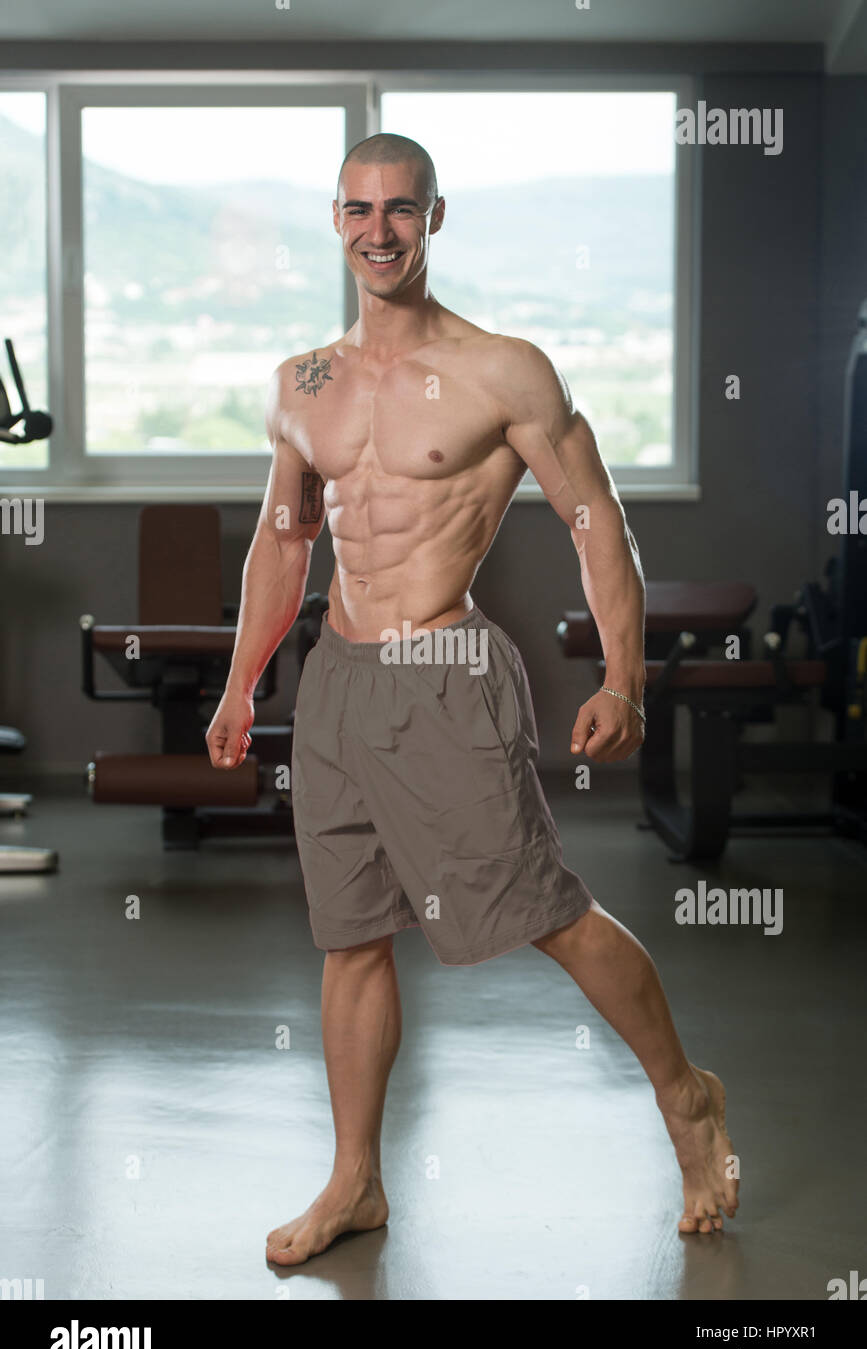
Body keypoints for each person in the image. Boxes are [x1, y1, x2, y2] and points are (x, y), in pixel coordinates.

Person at [206, 133, 739, 1267]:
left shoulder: (506, 371)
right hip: (338, 682)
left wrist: (625, 676)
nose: (379, 230)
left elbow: (601, 523)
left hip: (444, 678)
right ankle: (356, 1182)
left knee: (544, 911)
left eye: (402, 209)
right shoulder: (304, 383)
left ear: (435, 219)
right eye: (359, 209)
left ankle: (687, 1094)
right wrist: (243, 681)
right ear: (334, 217)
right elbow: (281, 542)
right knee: (349, 941)